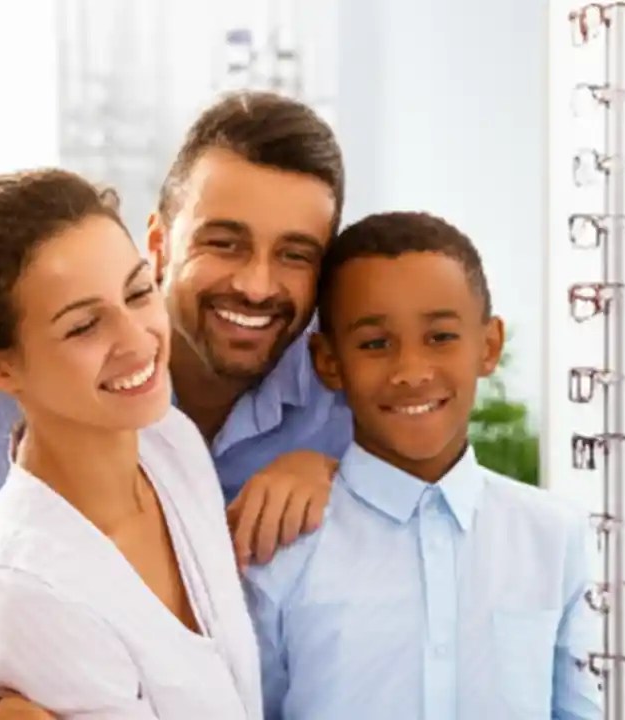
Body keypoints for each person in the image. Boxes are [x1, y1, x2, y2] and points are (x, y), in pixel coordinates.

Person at [0, 91, 352, 720]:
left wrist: (340, 476)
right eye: (224, 243)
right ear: (161, 241)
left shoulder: (205, 432)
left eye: (294, 254)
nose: (255, 284)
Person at [0, 168, 260, 717]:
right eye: (84, 326)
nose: (138, 341)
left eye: (138, 292)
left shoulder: (169, 444)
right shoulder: (23, 593)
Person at [243, 212, 602, 719]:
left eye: (440, 337)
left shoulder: (556, 537)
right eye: (374, 344)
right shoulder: (279, 551)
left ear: (489, 345)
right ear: (328, 361)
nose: (411, 372)